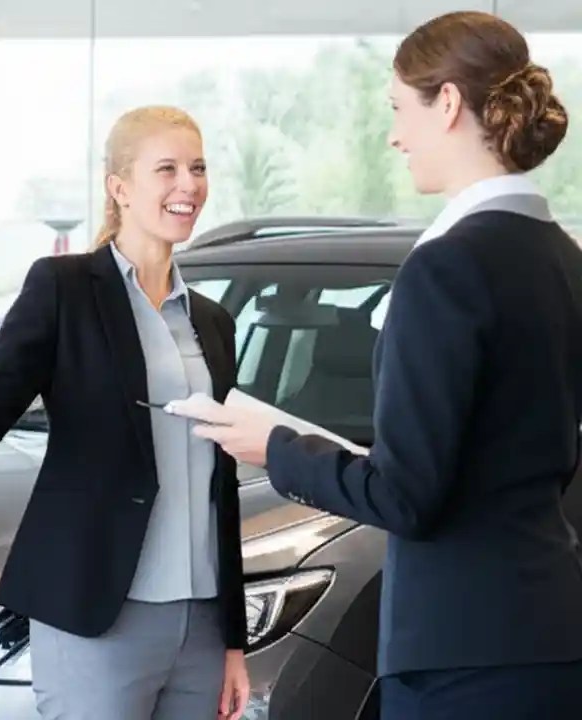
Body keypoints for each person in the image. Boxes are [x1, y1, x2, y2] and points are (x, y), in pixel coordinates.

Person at [182, 11, 580, 720]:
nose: (395, 135)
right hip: (548, 629)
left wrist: (272, 446)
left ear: (449, 104)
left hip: (460, 649)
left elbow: (406, 497)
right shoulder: (561, 258)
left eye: (400, 108)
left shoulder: (447, 267)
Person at [0, 106, 250, 720]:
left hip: (201, 622)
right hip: (99, 609)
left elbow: (224, 485)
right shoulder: (64, 288)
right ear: (119, 187)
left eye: (196, 168)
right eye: (166, 168)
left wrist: (235, 641)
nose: (188, 185)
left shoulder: (212, 322)